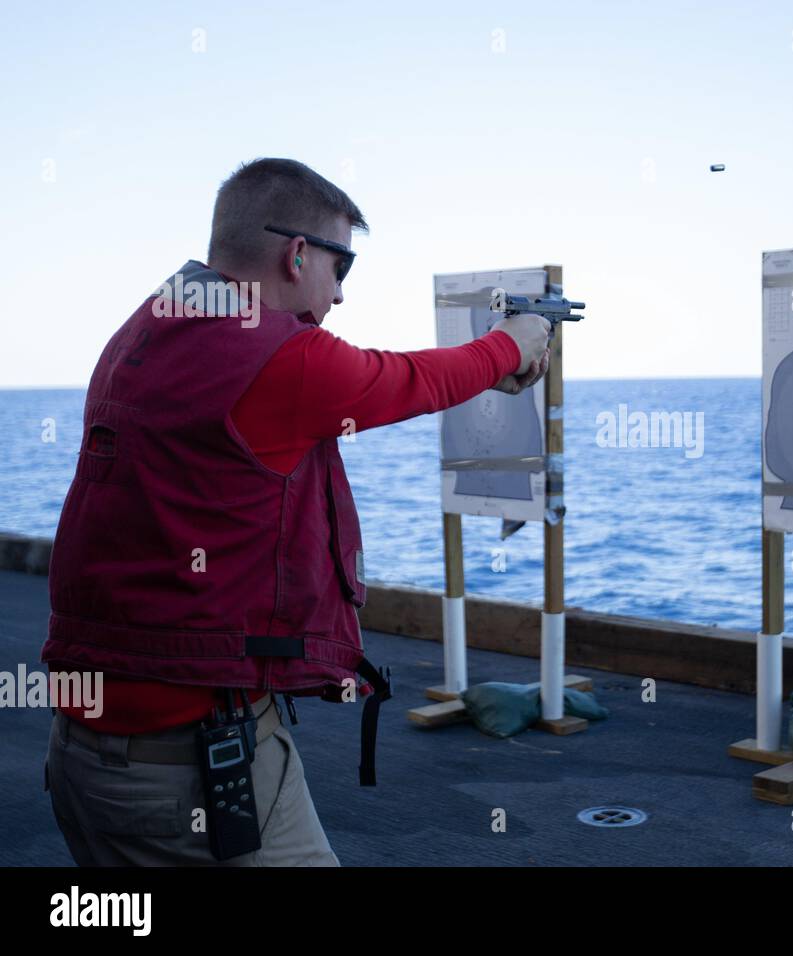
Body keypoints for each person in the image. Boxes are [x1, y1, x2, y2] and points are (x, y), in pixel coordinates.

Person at [41, 157, 551, 865]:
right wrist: (511, 347)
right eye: (341, 270)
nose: (338, 297)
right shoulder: (268, 356)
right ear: (297, 254)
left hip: (87, 752)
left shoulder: (143, 331)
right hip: (188, 764)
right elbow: (402, 381)